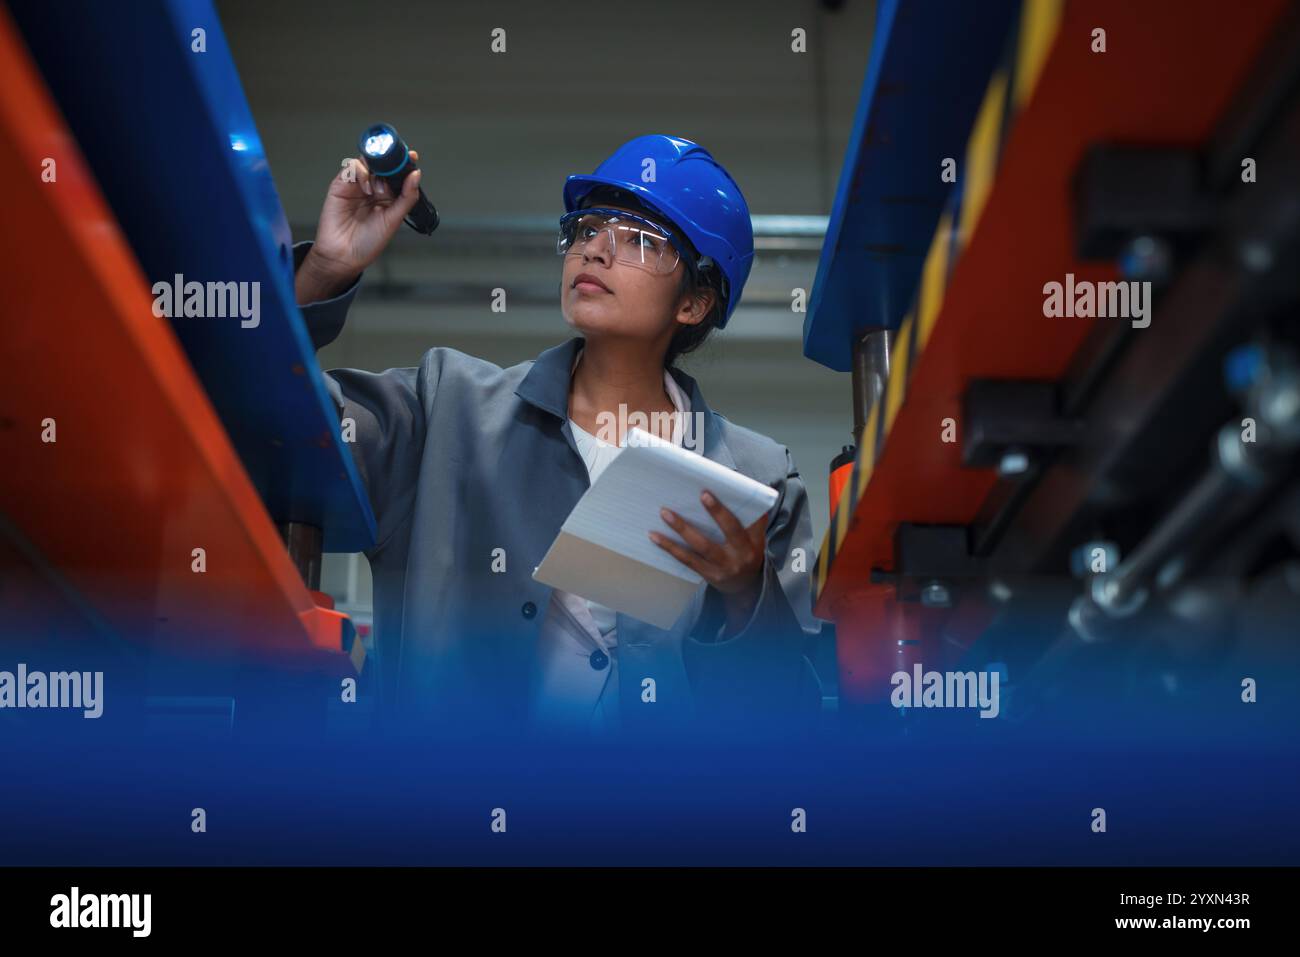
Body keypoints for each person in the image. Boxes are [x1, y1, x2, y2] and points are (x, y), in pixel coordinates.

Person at [293, 134, 822, 738]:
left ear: (696, 303)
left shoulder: (754, 481)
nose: (596, 249)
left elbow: (790, 723)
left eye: (641, 240)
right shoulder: (447, 411)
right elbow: (274, 432)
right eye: (588, 228)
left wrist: (745, 595)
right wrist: (324, 273)